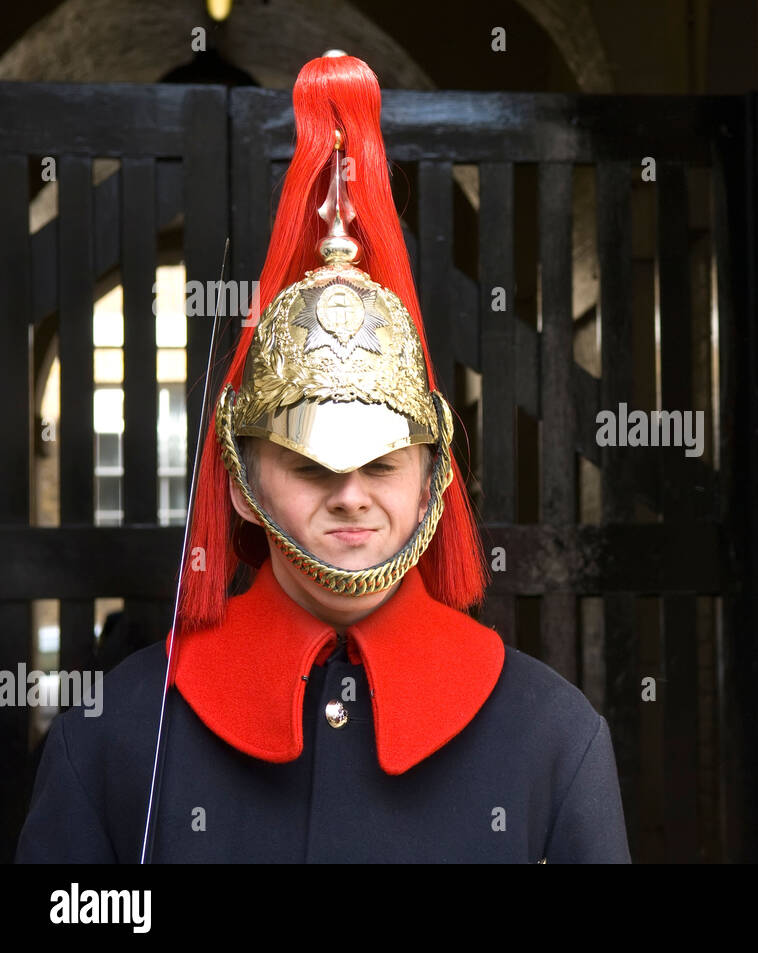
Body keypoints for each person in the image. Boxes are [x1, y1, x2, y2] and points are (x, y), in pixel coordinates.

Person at [14, 51, 630, 864]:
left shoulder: (553, 735)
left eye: (382, 463)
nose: (350, 495)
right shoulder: (113, 736)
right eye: (309, 465)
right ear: (240, 482)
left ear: (435, 479)